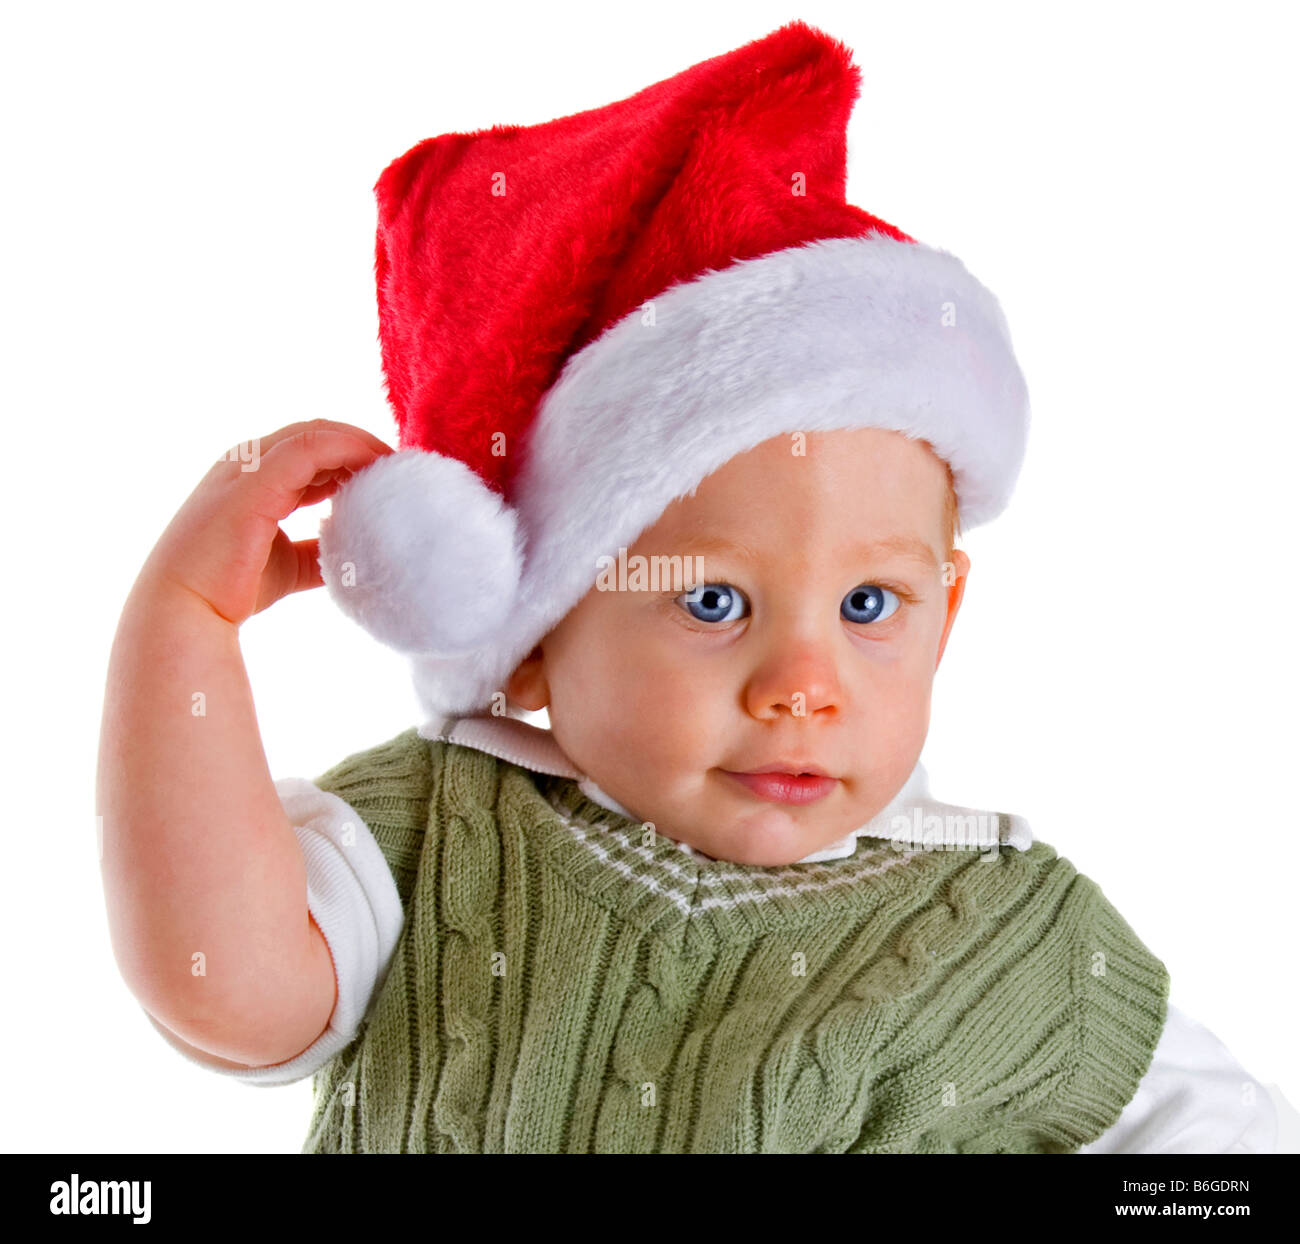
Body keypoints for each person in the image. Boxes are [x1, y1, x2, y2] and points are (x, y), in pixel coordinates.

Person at [97, 20, 1291, 1153]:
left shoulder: (1011, 938)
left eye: (869, 606)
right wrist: (183, 635)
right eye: (713, 601)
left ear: (947, 619)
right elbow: (232, 993)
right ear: (532, 636)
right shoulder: (438, 828)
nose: (802, 687)